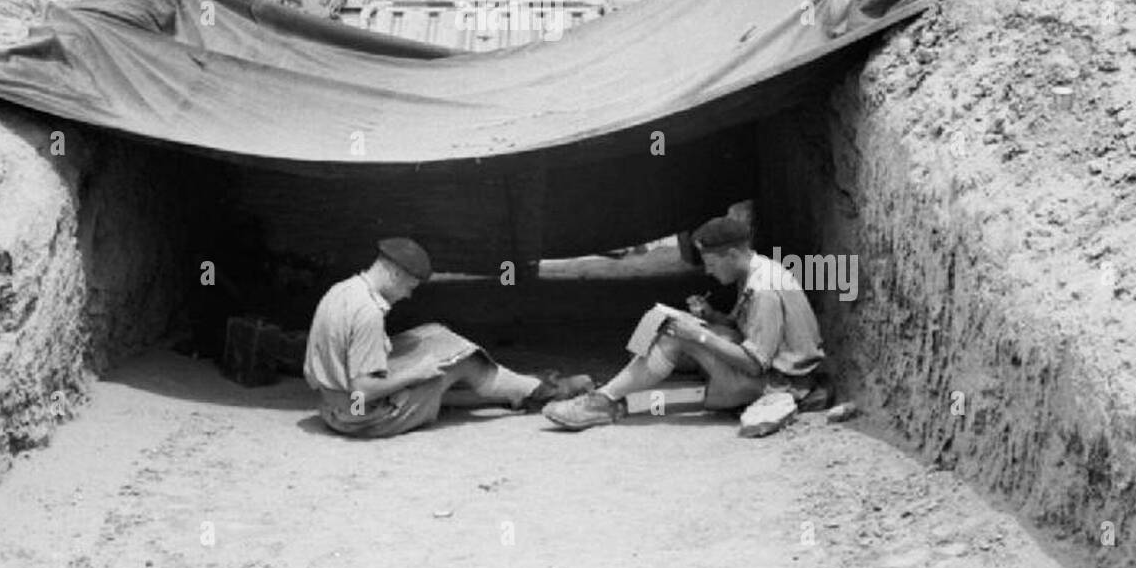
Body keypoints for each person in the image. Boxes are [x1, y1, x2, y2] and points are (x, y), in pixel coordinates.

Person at [543, 216, 828, 431]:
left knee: (677, 338)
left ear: (732, 255)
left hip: (781, 385)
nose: (708, 270)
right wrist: (711, 316)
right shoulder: (756, 269)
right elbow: (747, 327)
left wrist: (700, 336)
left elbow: (755, 362)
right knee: (676, 327)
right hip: (776, 373)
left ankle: (605, 402)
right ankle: (615, 391)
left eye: (711, 263)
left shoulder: (764, 289)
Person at [303, 236, 592, 438]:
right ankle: (540, 392)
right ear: (393, 274)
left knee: (433, 335)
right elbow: (361, 392)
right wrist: (414, 373)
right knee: (460, 362)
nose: (409, 294)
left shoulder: (343, 290)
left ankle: (512, 391)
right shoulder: (369, 313)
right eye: (410, 285)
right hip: (361, 418)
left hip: (331, 406)